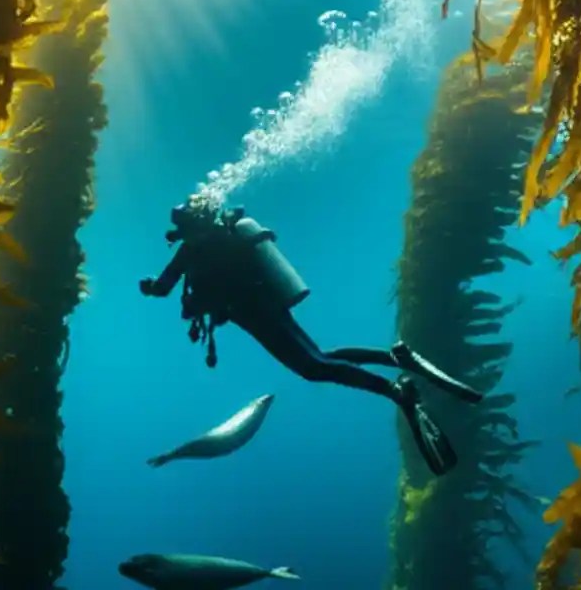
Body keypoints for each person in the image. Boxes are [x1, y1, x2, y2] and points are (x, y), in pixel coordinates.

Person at [138, 201, 484, 477]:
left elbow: (167, 287)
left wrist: (152, 287)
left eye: (184, 230)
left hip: (256, 316)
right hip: (269, 307)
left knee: (314, 367)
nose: (181, 236)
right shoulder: (219, 237)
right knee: (320, 356)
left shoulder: (194, 251)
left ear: (193, 227)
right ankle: (394, 359)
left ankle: (395, 390)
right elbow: (179, 285)